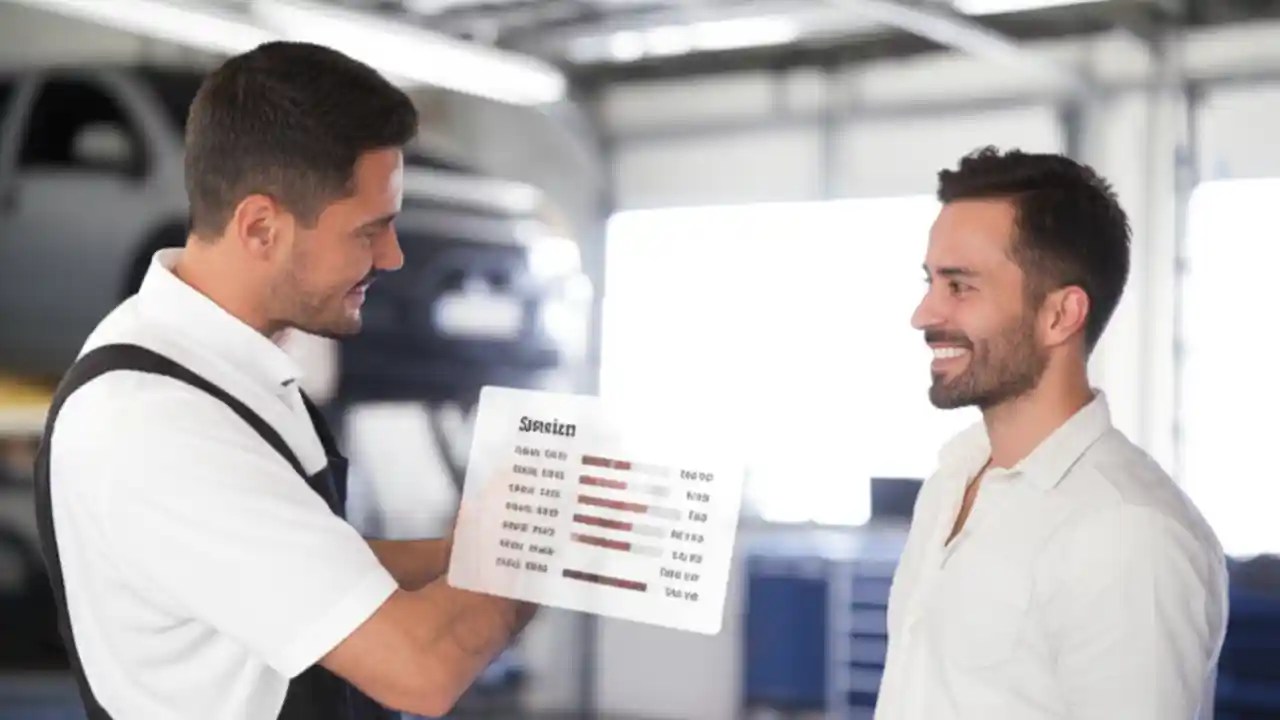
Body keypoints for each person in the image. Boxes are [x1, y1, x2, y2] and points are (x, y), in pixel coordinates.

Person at [34, 41, 536, 719]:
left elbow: (304, 566)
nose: (392, 256)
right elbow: (424, 669)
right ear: (261, 227)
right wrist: (532, 538)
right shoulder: (154, 423)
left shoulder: (218, 366)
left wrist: (459, 554)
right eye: (369, 231)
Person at [874, 147, 1228, 720]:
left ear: (1060, 315)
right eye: (930, 280)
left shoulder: (1127, 534)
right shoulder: (951, 482)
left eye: (959, 287)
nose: (923, 313)